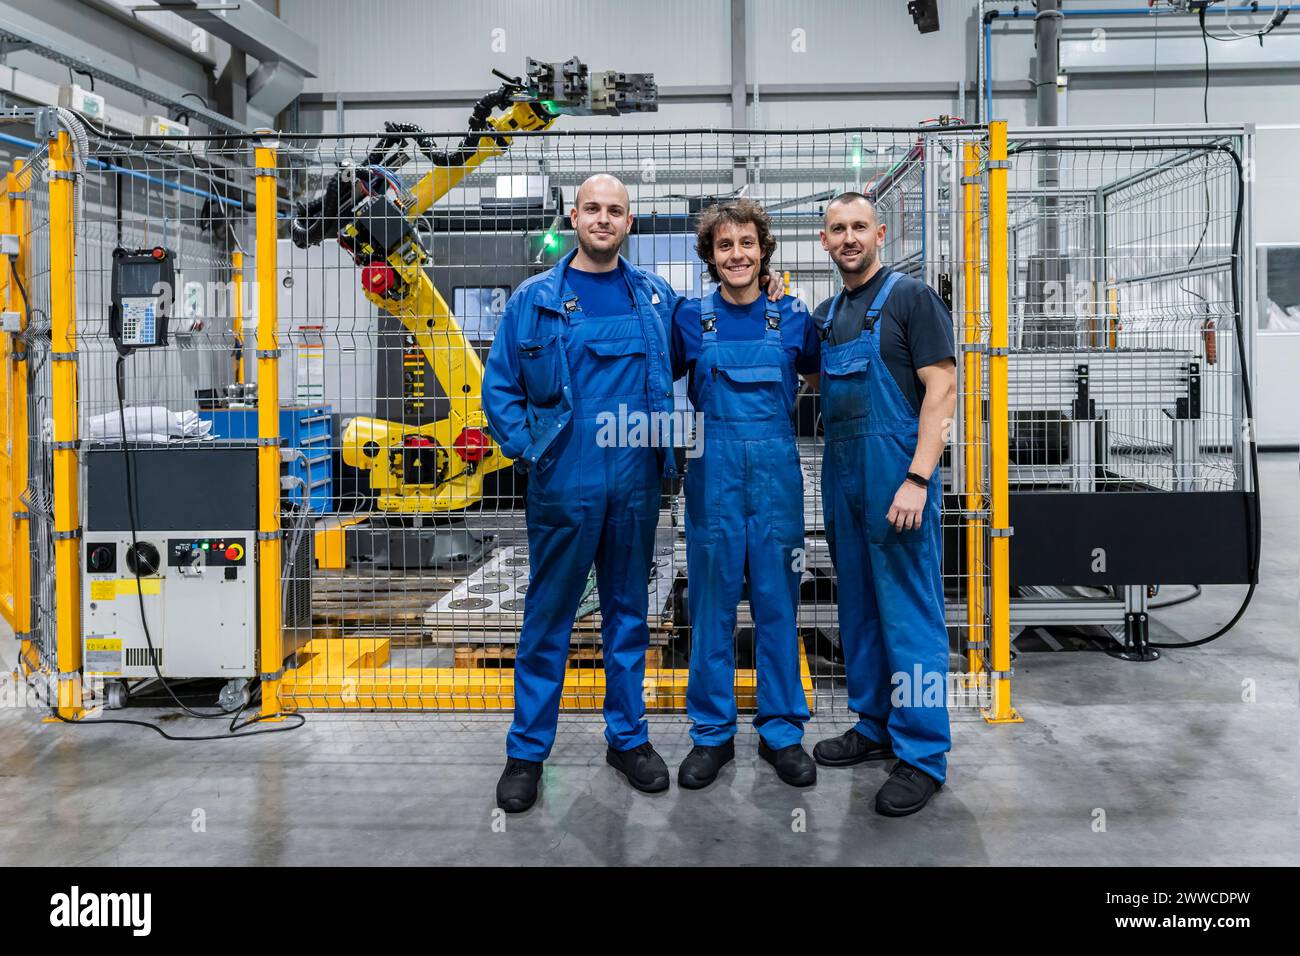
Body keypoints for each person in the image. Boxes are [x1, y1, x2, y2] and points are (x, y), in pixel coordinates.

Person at [484, 175, 782, 812]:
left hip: (636, 481)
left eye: (615, 210)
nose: (603, 219)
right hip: (564, 482)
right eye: (592, 208)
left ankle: (628, 739)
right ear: (573, 216)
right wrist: (531, 451)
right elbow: (500, 387)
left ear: (629, 221)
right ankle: (526, 752)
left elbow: (716, 322)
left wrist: (766, 291)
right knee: (548, 621)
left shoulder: (654, 298)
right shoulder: (533, 301)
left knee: (627, 618)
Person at [811, 192, 957, 816]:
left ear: (881, 232)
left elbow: (942, 388)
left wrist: (918, 478)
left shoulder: (909, 298)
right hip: (845, 478)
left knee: (907, 614)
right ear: (824, 241)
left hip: (898, 480)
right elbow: (816, 385)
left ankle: (922, 753)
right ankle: (874, 726)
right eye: (837, 229)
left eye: (859, 228)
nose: (849, 238)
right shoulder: (827, 314)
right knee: (860, 609)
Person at [671, 199, 820, 789]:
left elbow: (814, 376)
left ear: (764, 252)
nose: (738, 255)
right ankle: (711, 735)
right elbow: (659, 377)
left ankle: (781, 732)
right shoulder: (689, 319)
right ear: (711, 256)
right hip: (713, 481)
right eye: (725, 246)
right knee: (710, 611)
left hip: (777, 482)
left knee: (778, 608)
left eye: (748, 244)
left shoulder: (793, 318)